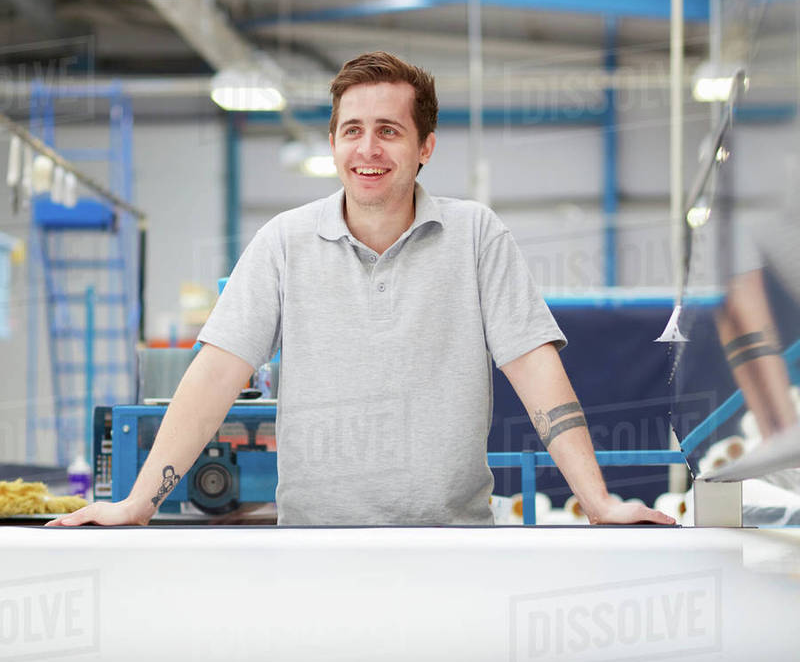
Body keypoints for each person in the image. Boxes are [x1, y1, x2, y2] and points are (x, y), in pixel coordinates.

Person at [49, 52, 673, 528]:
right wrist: (137, 503)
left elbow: (537, 372)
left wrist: (597, 501)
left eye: (388, 130)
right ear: (332, 143)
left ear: (425, 146)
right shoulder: (283, 242)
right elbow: (215, 375)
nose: (367, 149)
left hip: (452, 545)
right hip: (318, 548)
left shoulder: (476, 236)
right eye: (351, 130)